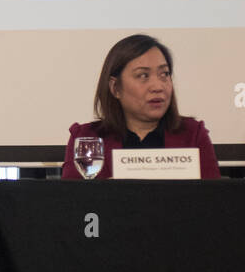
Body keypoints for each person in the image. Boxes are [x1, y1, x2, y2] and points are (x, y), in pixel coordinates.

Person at [62, 34, 220, 180]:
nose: (158, 86)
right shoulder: (86, 139)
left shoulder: (193, 135)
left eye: (164, 74)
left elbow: (213, 203)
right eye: (143, 75)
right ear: (115, 87)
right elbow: (73, 204)